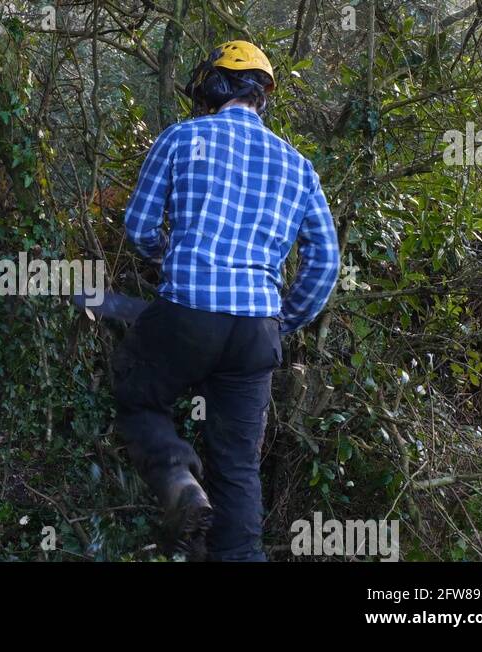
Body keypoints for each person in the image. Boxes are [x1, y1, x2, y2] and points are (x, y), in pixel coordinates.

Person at [114, 41, 340, 561]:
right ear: (263, 96)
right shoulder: (298, 166)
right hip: (255, 332)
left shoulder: (180, 138)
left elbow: (139, 226)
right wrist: (282, 322)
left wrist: (167, 258)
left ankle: (178, 479)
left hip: (187, 314)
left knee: (138, 395)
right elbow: (325, 264)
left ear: (213, 85)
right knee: (238, 468)